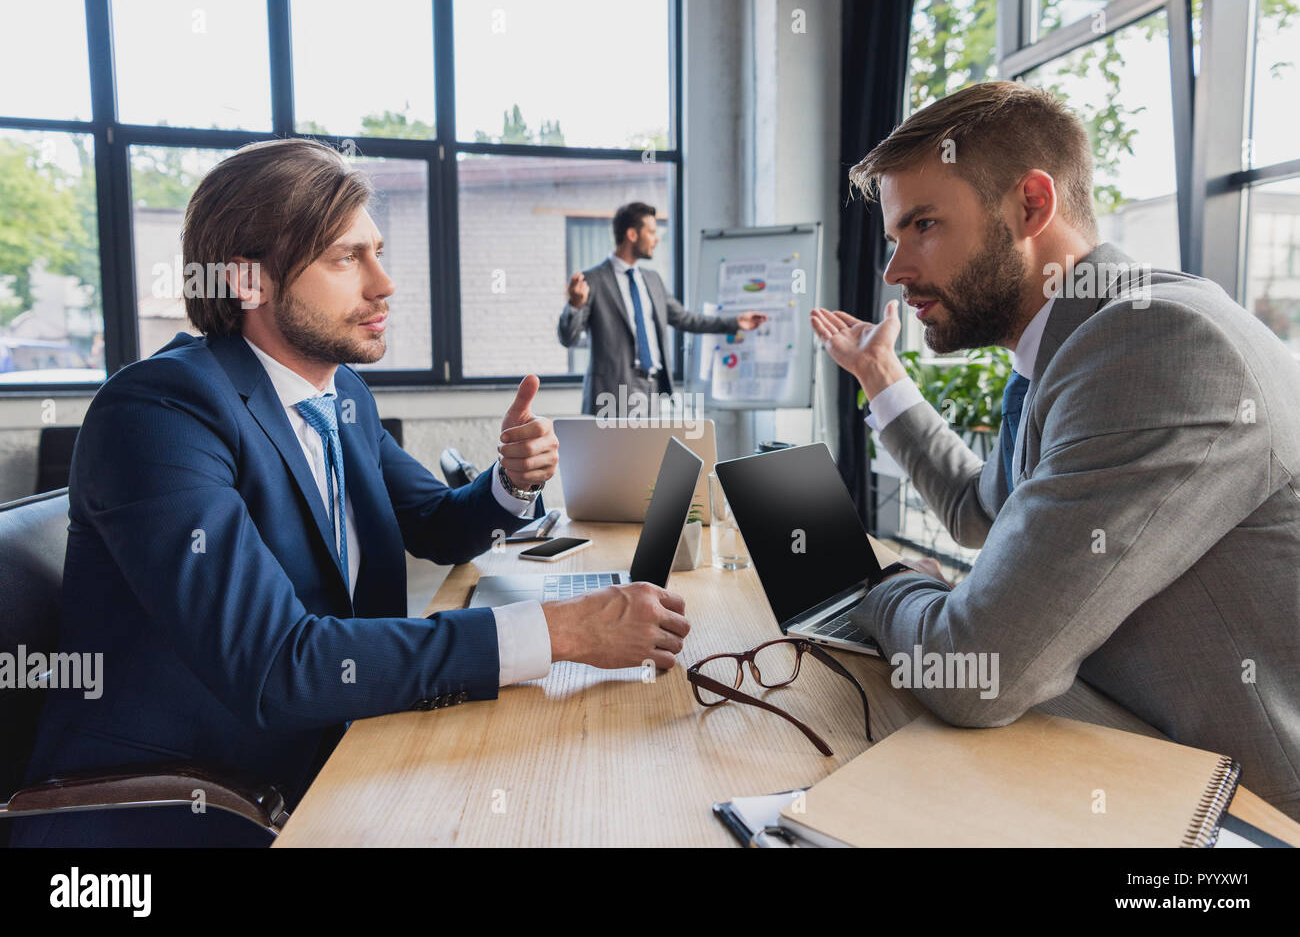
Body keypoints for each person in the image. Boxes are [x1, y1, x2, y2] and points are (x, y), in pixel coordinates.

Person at [13, 139, 690, 847]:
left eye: (378, 251)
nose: (385, 283)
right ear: (248, 281)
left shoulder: (341, 396)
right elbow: (278, 663)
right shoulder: (160, 411)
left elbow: (432, 522)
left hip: (337, 754)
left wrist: (511, 481)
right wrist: (563, 630)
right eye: (346, 258)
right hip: (194, 807)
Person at [812, 81, 1300, 820]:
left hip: (1242, 817)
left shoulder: (1152, 343)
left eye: (924, 225)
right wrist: (881, 377)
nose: (895, 270)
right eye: (895, 236)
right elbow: (983, 511)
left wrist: (880, 589)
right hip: (1143, 756)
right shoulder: (1074, 341)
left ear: (1030, 206)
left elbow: (978, 673)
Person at [558, 202, 768, 415]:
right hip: (610, 392)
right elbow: (568, 338)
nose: (656, 239)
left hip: (652, 389)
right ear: (632, 234)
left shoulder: (653, 280)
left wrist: (735, 322)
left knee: (650, 449)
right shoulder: (593, 279)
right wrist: (575, 305)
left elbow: (685, 319)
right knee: (612, 450)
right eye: (651, 232)